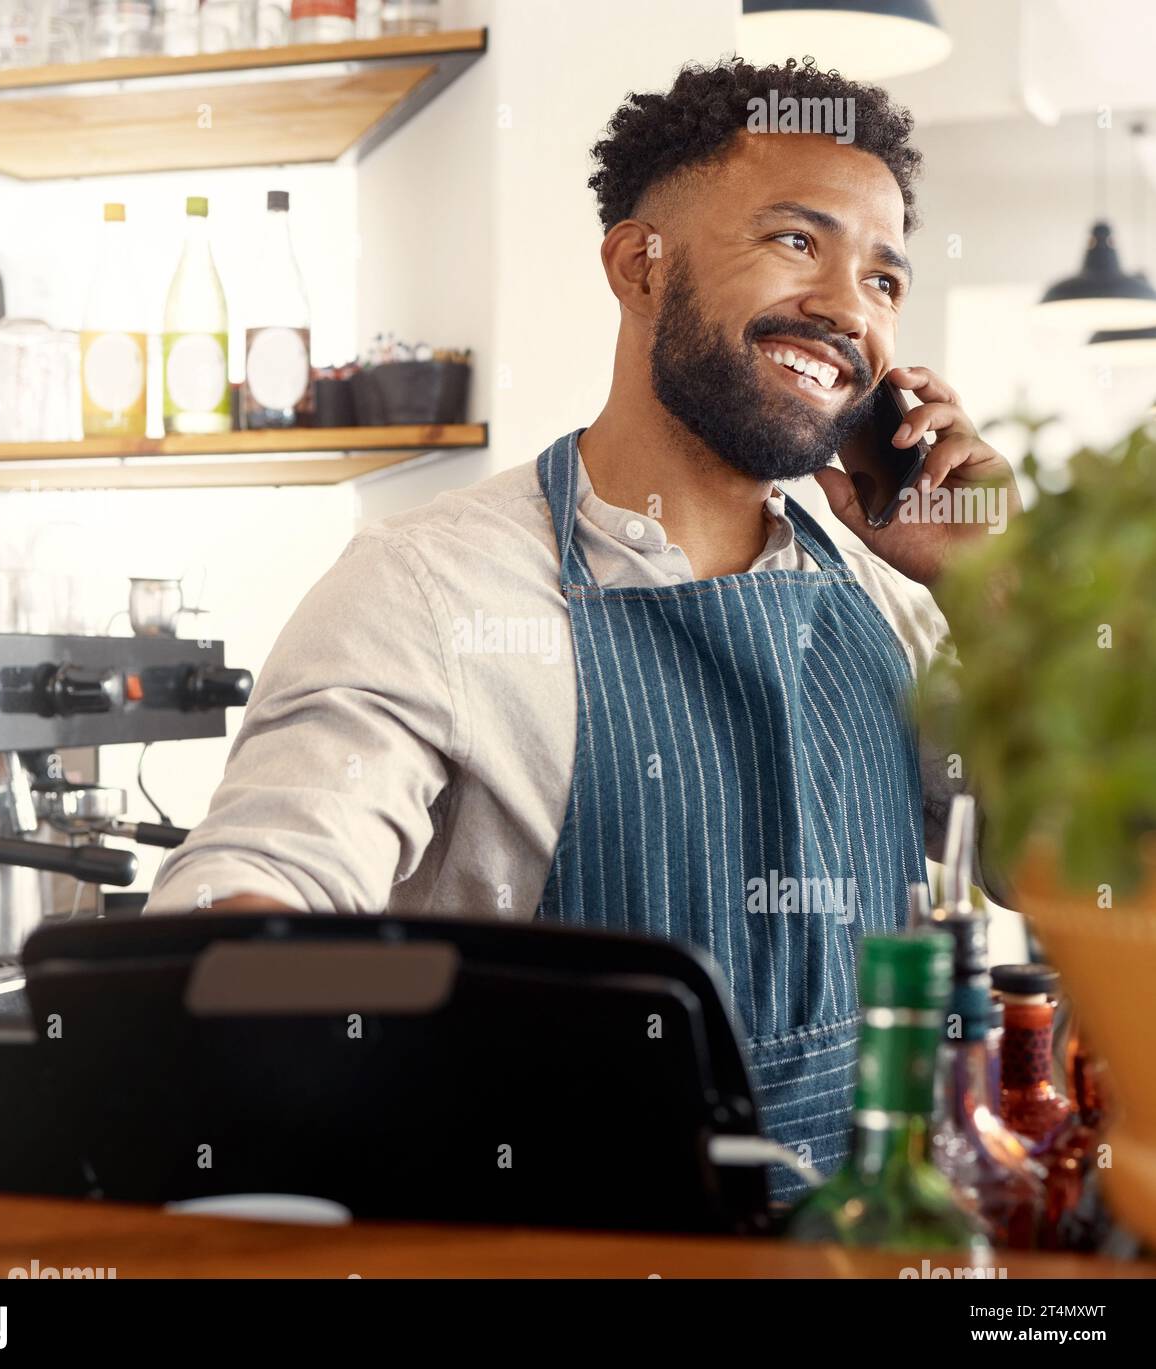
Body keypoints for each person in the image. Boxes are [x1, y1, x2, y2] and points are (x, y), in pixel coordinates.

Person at [147, 56, 1019, 1200]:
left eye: (885, 277)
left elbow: (1064, 874)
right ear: (636, 263)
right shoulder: (428, 590)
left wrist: (998, 590)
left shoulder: (893, 601)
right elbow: (234, 907)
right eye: (797, 242)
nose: (851, 309)